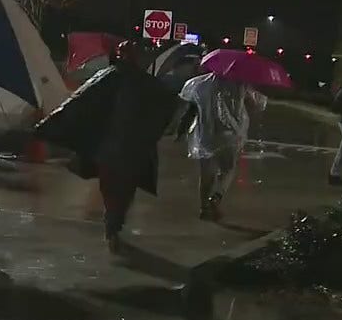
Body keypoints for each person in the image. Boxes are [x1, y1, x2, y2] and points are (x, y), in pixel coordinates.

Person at [94, 40, 169, 254]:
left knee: (115, 190)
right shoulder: (120, 80)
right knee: (120, 190)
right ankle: (114, 224)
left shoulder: (110, 79)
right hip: (125, 148)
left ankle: (113, 224)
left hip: (116, 147)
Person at [178, 70, 268, 221]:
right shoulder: (239, 84)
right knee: (228, 168)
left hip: (205, 134)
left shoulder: (200, 84)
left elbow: (190, 108)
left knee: (206, 174)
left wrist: (181, 130)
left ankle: (204, 208)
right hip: (229, 135)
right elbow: (255, 104)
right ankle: (217, 196)